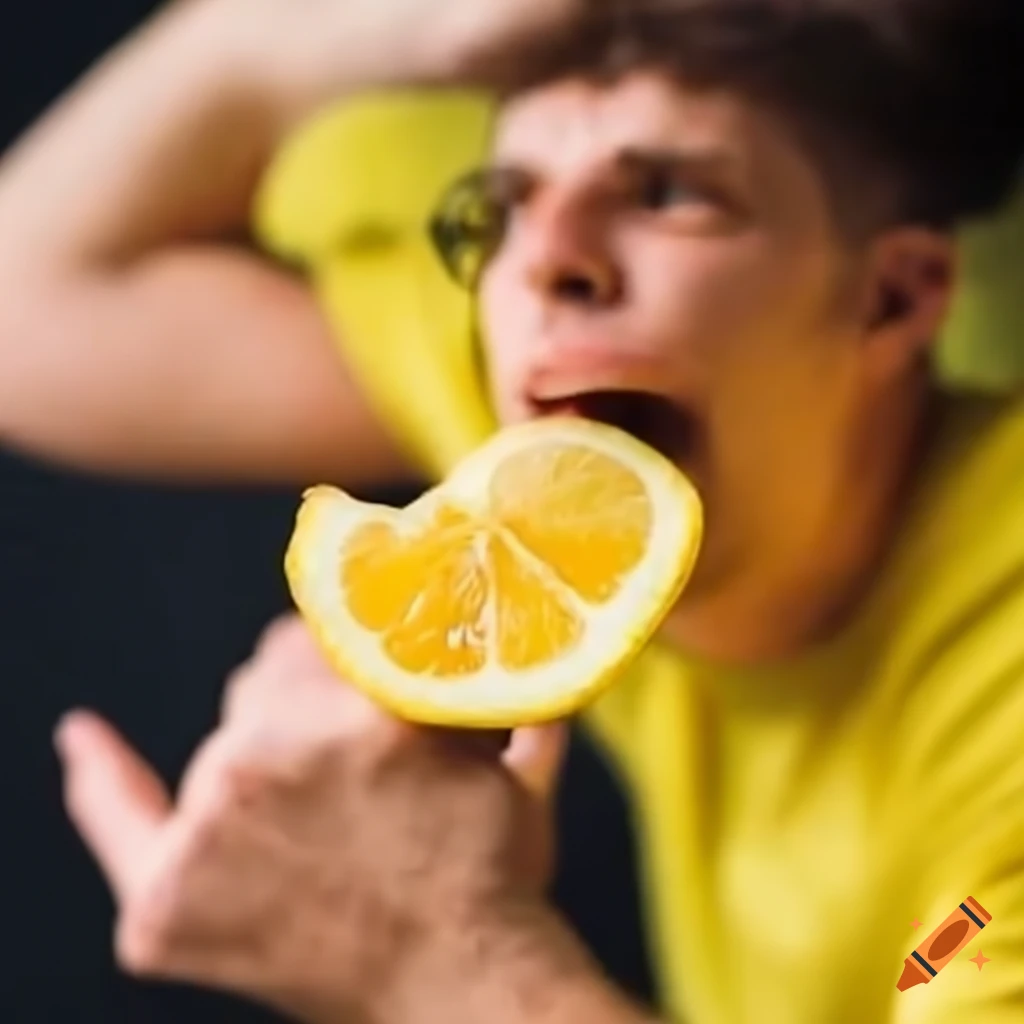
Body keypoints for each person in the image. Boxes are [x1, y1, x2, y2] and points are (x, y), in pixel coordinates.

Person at [3, 0, 1024, 1021]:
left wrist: (432, 959)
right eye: (498, 207)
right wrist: (309, 39)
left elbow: (947, 954)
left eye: (669, 194)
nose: (548, 261)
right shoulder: (543, 369)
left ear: (896, 297)